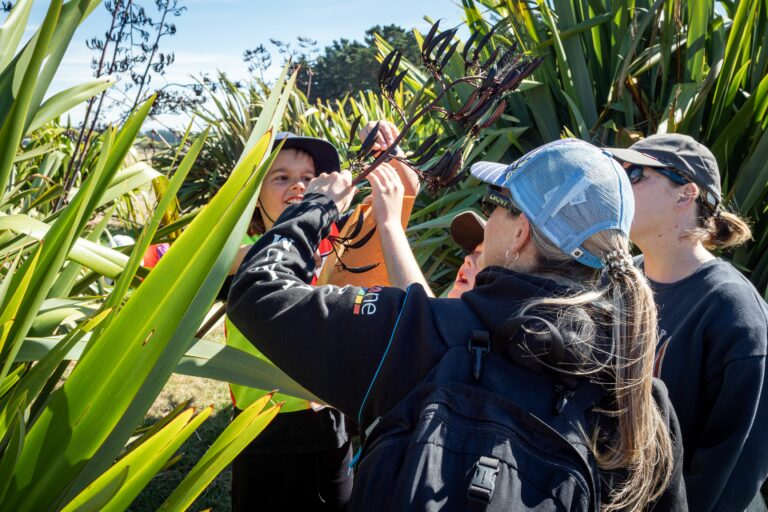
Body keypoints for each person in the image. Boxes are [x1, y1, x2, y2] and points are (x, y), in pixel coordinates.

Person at [228, 138, 687, 510]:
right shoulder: (638, 397)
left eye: (495, 203)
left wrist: (314, 208)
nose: (486, 219)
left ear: (520, 232)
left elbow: (258, 293)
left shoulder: (412, 334)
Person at [228, 125, 420, 512]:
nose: (298, 187)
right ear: (254, 195)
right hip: (259, 431)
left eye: (307, 179)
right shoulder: (239, 255)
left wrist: (391, 157)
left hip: (330, 426)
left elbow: (397, 207)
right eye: (281, 178)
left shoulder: (338, 249)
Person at [608, 134, 768, 512]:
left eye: (635, 174)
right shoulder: (619, 279)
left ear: (686, 193)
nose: (619, 182)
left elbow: (733, 471)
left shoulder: (734, 312)